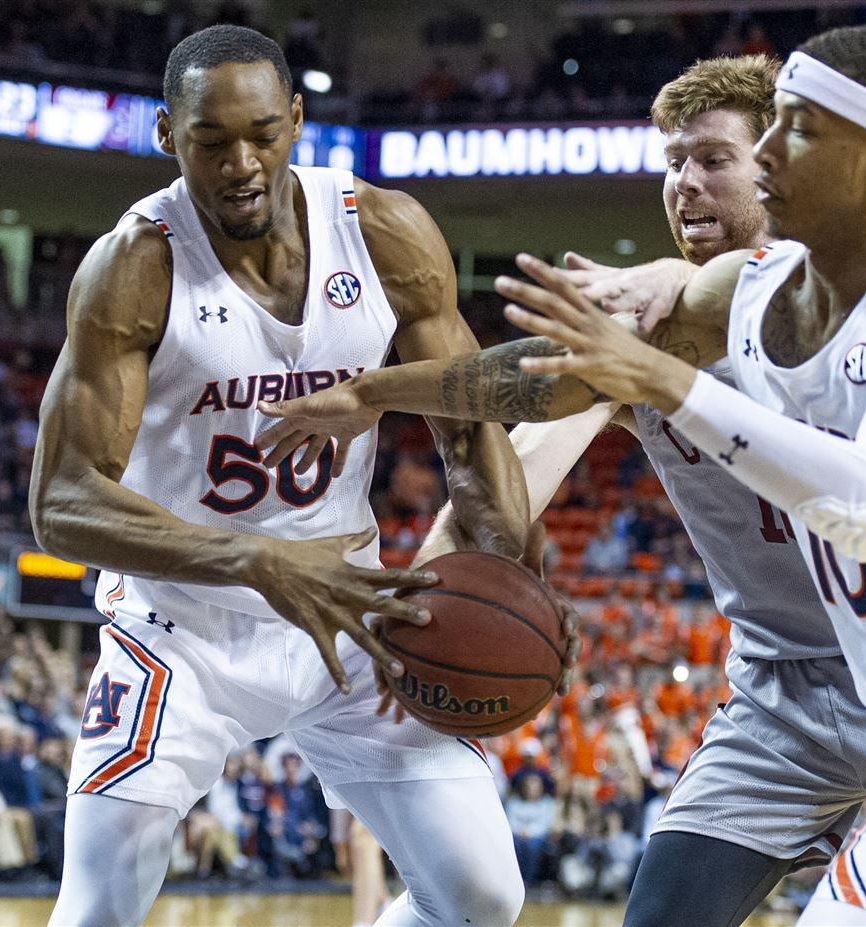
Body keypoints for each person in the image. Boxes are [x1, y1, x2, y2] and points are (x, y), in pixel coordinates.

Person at [259, 25, 866, 923]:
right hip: (794, 694)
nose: (762, 156)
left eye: (773, 139)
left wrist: (666, 380)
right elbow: (537, 396)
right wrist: (374, 393)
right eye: (680, 161)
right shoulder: (743, 295)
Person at [261, 55, 866, 926]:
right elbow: (510, 474)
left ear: (776, 166)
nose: (686, 183)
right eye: (673, 163)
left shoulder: (850, 290)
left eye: (714, 160)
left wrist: (669, 278)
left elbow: (746, 285)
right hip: (780, 695)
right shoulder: (635, 334)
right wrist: (426, 603)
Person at [29, 23, 572, 927]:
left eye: (262, 134)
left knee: (482, 894)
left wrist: (518, 582)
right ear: (166, 133)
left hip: (350, 610)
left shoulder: (383, 231)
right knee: (97, 908)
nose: (240, 163)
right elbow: (60, 502)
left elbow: (470, 433)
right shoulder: (134, 267)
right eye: (210, 140)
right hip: (183, 628)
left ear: (296, 120)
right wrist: (258, 560)